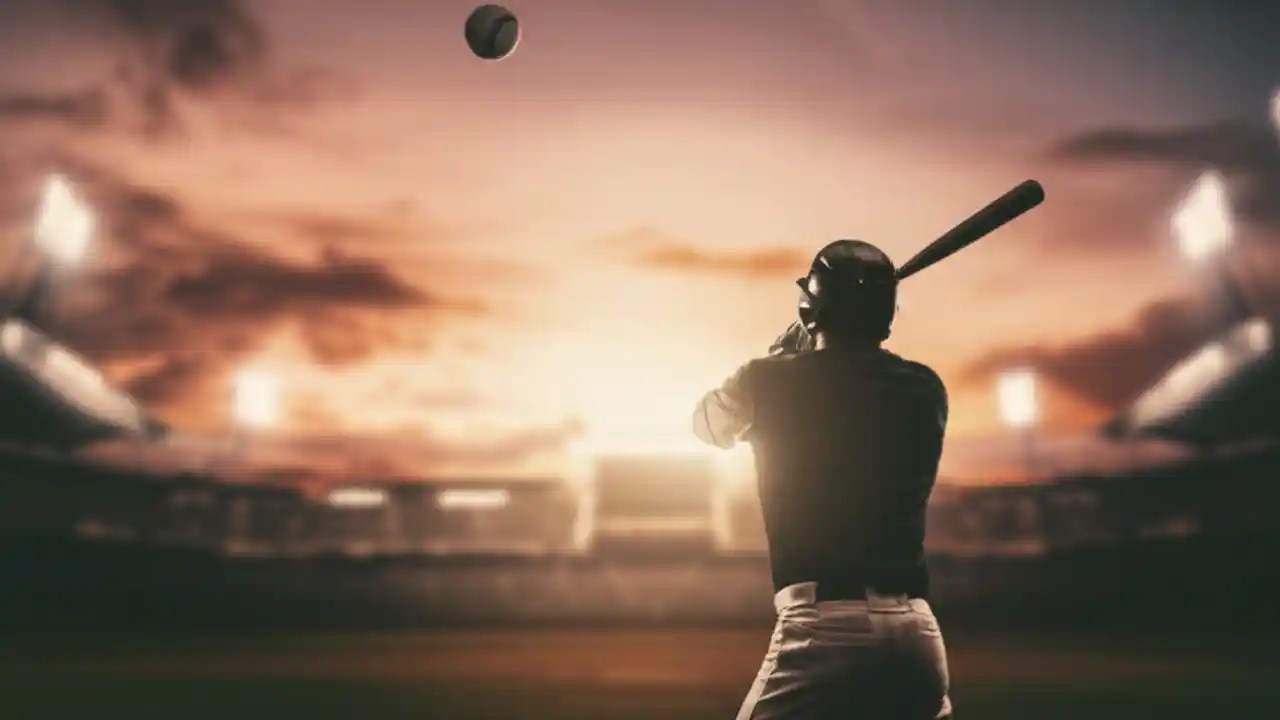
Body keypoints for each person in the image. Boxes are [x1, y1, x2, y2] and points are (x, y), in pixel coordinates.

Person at [693, 239, 953, 719]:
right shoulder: (925, 388)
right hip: (916, 632)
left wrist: (776, 361)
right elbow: (849, 394)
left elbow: (707, 425)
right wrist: (793, 364)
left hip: (821, 626)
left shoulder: (768, 381)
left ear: (811, 309)